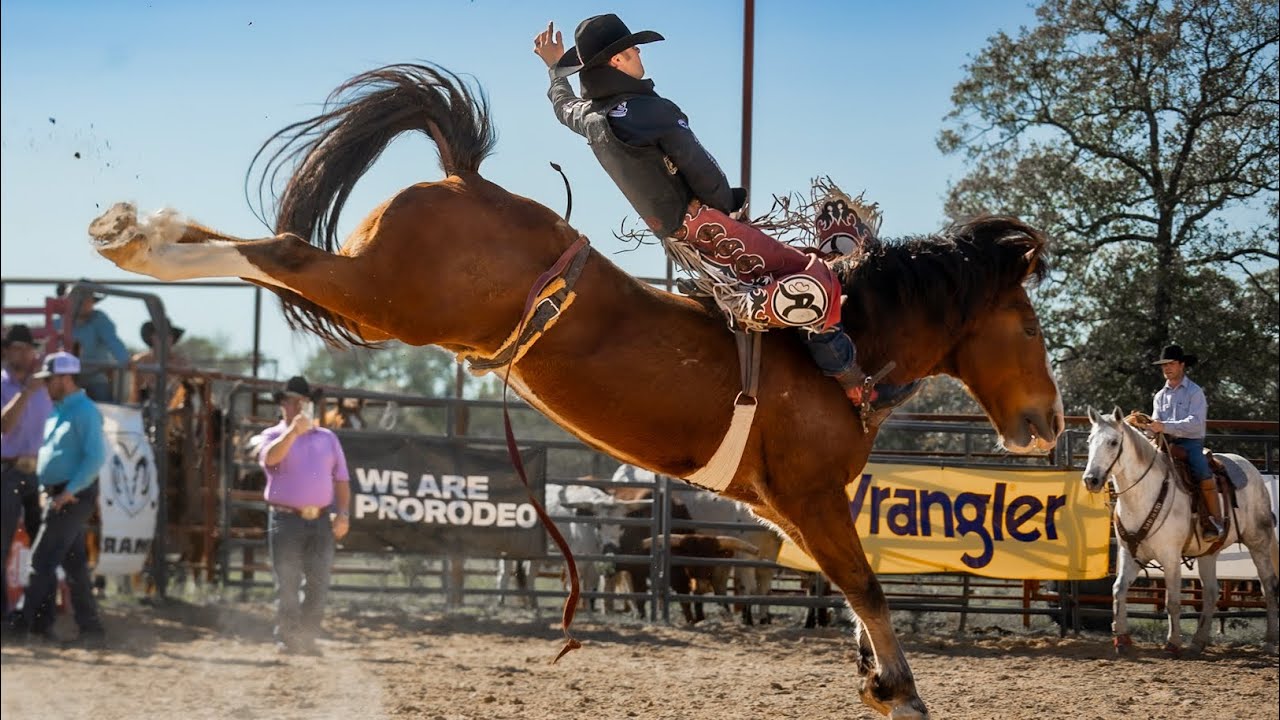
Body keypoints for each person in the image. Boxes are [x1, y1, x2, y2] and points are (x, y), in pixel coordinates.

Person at [532, 15, 916, 416]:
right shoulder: (655, 112)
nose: (639, 54)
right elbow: (706, 174)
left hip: (680, 244)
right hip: (709, 230)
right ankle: (859, 388)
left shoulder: (592, 118)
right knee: (818, 278)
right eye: (632, 50)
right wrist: (729, 207)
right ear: (616, 62)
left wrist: (554, 69)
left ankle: (762, 315)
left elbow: (563, 107)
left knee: (796, 268)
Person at [11, 352, 107, 646]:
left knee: (41, 560)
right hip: (62, 495)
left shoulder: (84, 412)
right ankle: (90, 628)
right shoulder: (64, 409)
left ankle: (20, 627)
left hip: (71, 496)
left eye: (49, 379)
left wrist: (68, 491)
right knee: (75, 564)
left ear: (64, 379)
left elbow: (96, 457)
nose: (45, 385)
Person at [257, 375, 350, 656]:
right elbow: (270, 459)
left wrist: (343, 513)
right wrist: (292, 433)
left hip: (320, 519)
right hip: (286, 519)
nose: (298, 406)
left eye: (303, 401)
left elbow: (342, 480)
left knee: (318, 582)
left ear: (309, 405)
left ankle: (306, 638)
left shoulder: (328, 438)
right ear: (282, 405)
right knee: (287, 582)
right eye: (292, 401)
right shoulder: (273, 435)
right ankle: (288, 638)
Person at [1, 325, 53, 616]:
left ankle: (41, 618)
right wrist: (25, 393)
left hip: (42, 473)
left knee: (45, 549)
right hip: (9, 470)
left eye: (26, 347)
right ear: (7, 351)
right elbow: (4, 426)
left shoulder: (46, 386)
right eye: (16, 347)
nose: (22, 352)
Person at [1145, 344, 1221, 541]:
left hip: (1191, 443)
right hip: (1165, 444)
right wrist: (1145, 427)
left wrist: (1164, 427)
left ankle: (1213, 520)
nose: (1167, 368)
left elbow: (1195, 424)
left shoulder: (1195, 392)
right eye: (1164, 365)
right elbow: (1156, 423)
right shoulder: (1160, 396)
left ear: (1182, 365)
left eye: (1171, 364)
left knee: (1201, 469)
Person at [55, 282, 129, 402]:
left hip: (94, 378)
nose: (82, 302)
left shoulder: (99, 320)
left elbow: (114, 343)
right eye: (76, 298)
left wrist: (125, 361)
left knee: (104, 402)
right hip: (64, 379)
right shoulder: (58, 323)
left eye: (87, 299)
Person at [129, 318, 190, 405]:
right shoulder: (140, 361)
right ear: (152, 337)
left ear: (173, 338)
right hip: (145, 409)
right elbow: (135, 395)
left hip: (175, 411)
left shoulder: (182, 363)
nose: (165, 338)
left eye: (169, 334)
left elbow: (190, 392)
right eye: (160, 334)